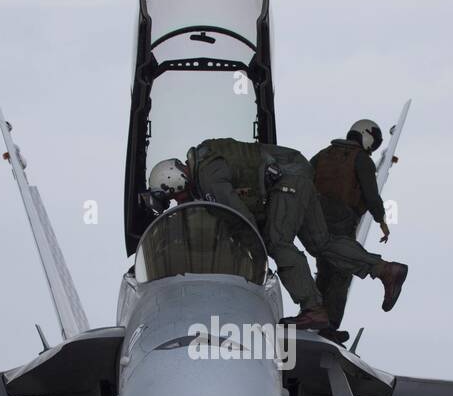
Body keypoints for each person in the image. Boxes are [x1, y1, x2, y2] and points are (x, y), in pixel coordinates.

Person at [147, 138, 406, 331]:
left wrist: (254, 253)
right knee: (321, 242)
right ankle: (386, 270)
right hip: (297, 176)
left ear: (176, 180)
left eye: (175, 196)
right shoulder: (205, 166)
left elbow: (241, 219)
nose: (179, 202)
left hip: (288, 181)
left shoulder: (208, 178)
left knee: (277, 241)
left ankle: (314, 309)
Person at [311, 119, 399, 335]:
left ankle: (315, 318)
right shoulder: (361, 160)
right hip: (342, 220)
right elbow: (371, 195)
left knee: (324, 271)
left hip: (316, 219)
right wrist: (382, 221)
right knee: (342, 272)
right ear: (366, 134)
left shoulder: (323, 154)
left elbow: (303, 177)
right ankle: (329, 326)